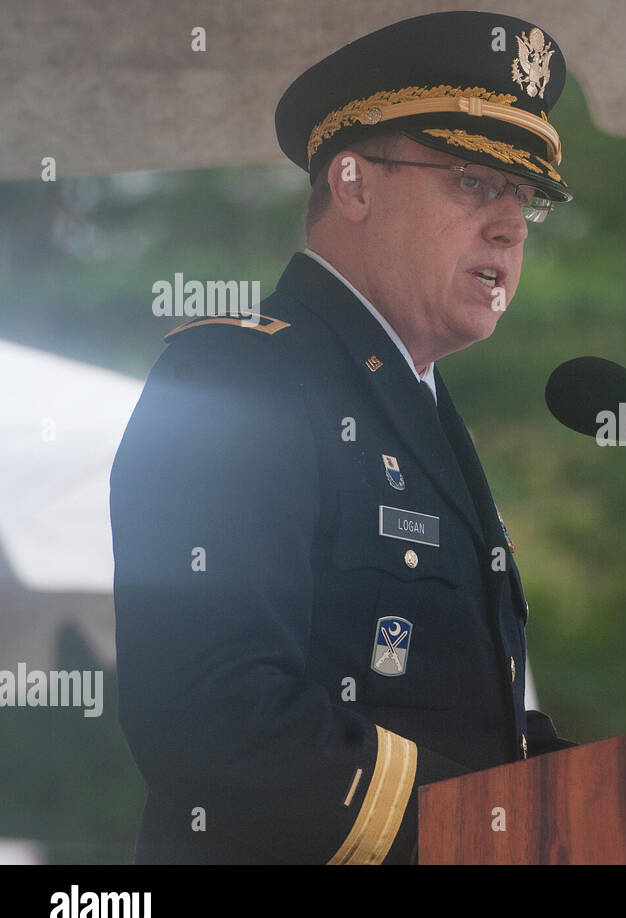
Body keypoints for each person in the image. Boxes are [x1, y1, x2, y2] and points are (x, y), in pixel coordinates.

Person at [110, 11, 574, 865]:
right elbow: (212, 714)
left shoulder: (416, 402)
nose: (511, 225)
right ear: (353, 184)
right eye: (475, 181)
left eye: (526, 197)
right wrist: (486, 831)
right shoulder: (237, 377)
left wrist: (619, 800)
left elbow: (463, 720)